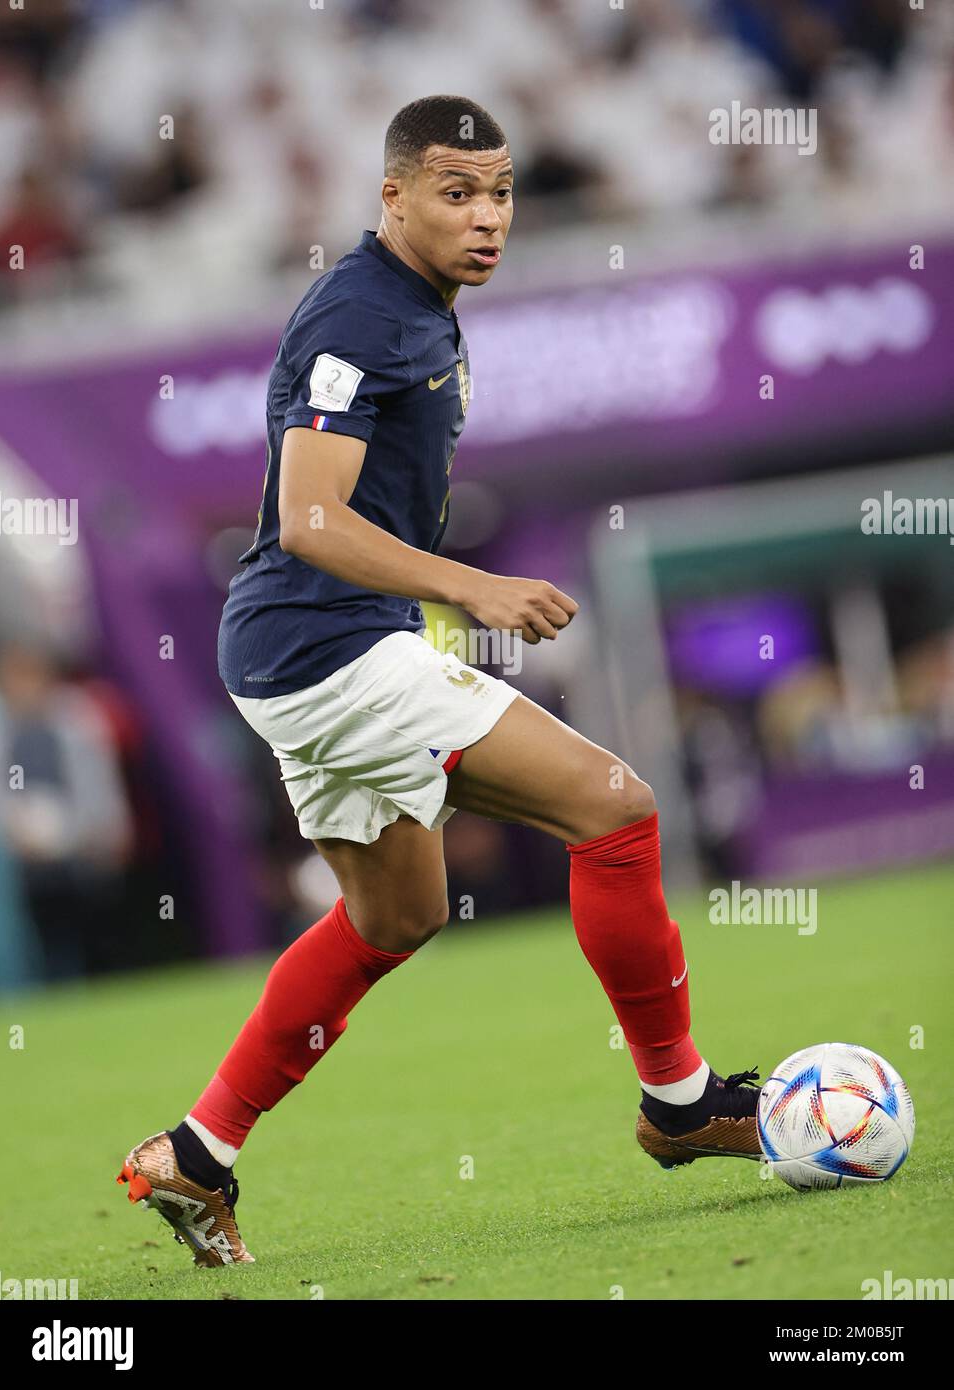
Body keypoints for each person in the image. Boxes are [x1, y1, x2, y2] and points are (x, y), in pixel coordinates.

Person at [117, 95, 761, 1267]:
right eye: (457, 192)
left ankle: (198, 1152)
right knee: (614, 805)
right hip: (329, 646)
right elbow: (311, 520)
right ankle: (680, 1103)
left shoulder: (417, 305)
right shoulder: (361, 319)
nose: (487, 218)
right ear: (392, 197)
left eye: (502, 192)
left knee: (395, 914)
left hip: (307, 649)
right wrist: (470, 587)